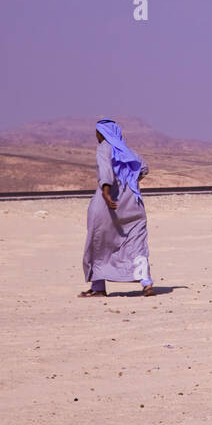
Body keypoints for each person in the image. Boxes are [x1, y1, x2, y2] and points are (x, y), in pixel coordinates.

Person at [79, 118, 155, 297]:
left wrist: (106, 193)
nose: (96, 136)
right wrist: (130, 184)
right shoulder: (130, 152)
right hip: (133, 206)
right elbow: (144, 169)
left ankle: (98, 288)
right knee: (136, 243)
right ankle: (146, 283)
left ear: (104, 134)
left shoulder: (104, 148)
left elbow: (106, 172)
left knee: (99, 243)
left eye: (98, 132)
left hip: (108, 206)